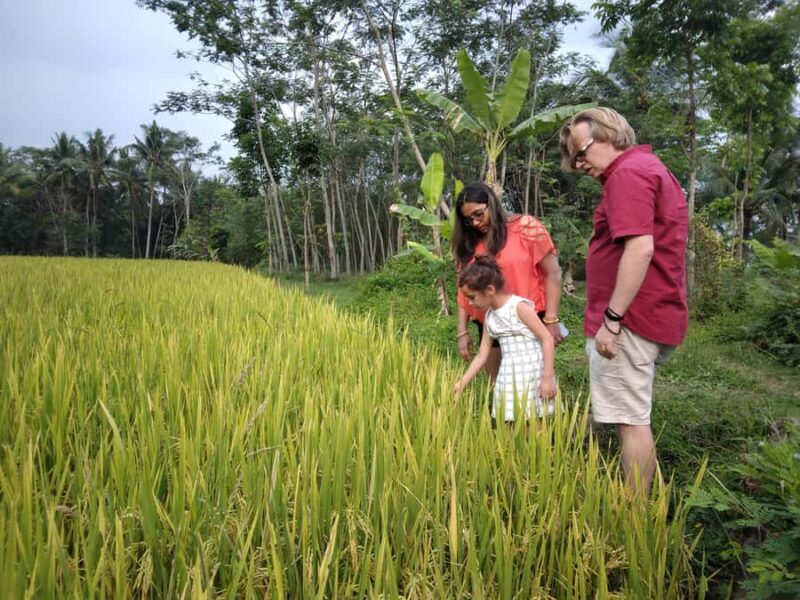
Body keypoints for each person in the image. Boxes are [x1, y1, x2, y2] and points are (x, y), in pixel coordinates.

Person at [558, 107, 689, 492]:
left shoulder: (628, 175)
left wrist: (612, 320)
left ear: (610, 135)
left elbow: (640, 249)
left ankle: (634, 520)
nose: (579, 164)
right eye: (573, 158)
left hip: (630, 321)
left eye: (581, 152)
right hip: (650, 313)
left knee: (631, 422)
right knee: (624, 411)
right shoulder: (646, 167)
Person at [453, 182, 563, 382]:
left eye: (479, 214)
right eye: (469, 220)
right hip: (490, 323)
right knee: (497, 387)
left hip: (528, 319)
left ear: (492, 203)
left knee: (535, 384)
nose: (476, 223)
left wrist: (551, 319)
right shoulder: (470, 243)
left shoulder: (526, 228)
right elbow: (464, 290)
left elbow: (553, 273)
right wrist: (462, 331)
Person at [454, 256, 557, 422]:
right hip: (509, 376)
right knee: (509, 424)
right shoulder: (490, 316)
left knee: (532, 427)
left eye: (472, 297)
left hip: (531, 374)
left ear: (489, 290)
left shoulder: (519, 307)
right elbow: (482, 355)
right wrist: (462, 383)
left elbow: (547, 339)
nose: (470, 303)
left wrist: (547, 377)